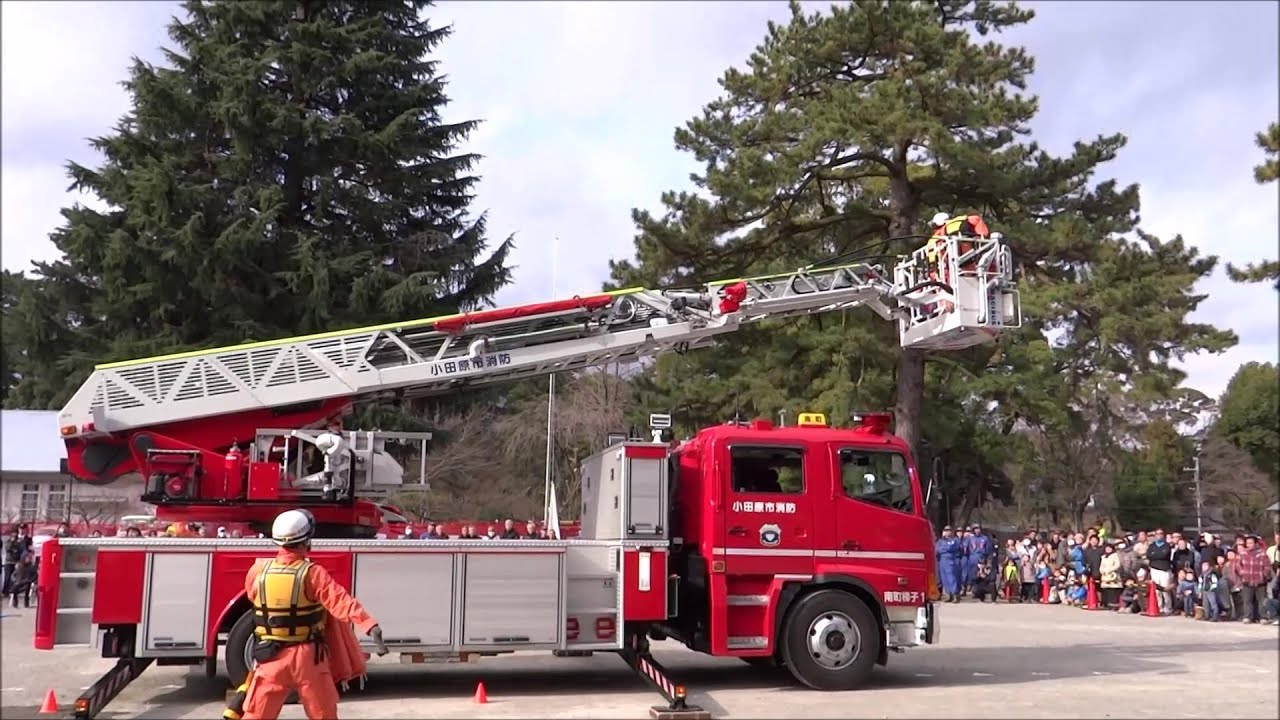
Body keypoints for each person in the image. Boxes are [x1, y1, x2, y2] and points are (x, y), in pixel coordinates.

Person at [231, 509, 388, 720]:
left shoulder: (257, 571)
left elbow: (254, 599)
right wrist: (369, 625)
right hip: (308, 659)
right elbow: (340, 601)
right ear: (307, 540)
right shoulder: (313, 574)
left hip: (270, 657)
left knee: (256, 715)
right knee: (323, 715)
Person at [934, 526, 963, 603]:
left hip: (950, 560)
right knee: (944, 579)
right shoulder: (940, 541)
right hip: (942, 561)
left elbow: (951, 548)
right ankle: (948, 595)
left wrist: (944, 549)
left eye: (949, 530)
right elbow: (937, 550)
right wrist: (944, 549)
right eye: (945, 530)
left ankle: (955, 595)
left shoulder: (954, 540)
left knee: (951, 578)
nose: (947, 532)